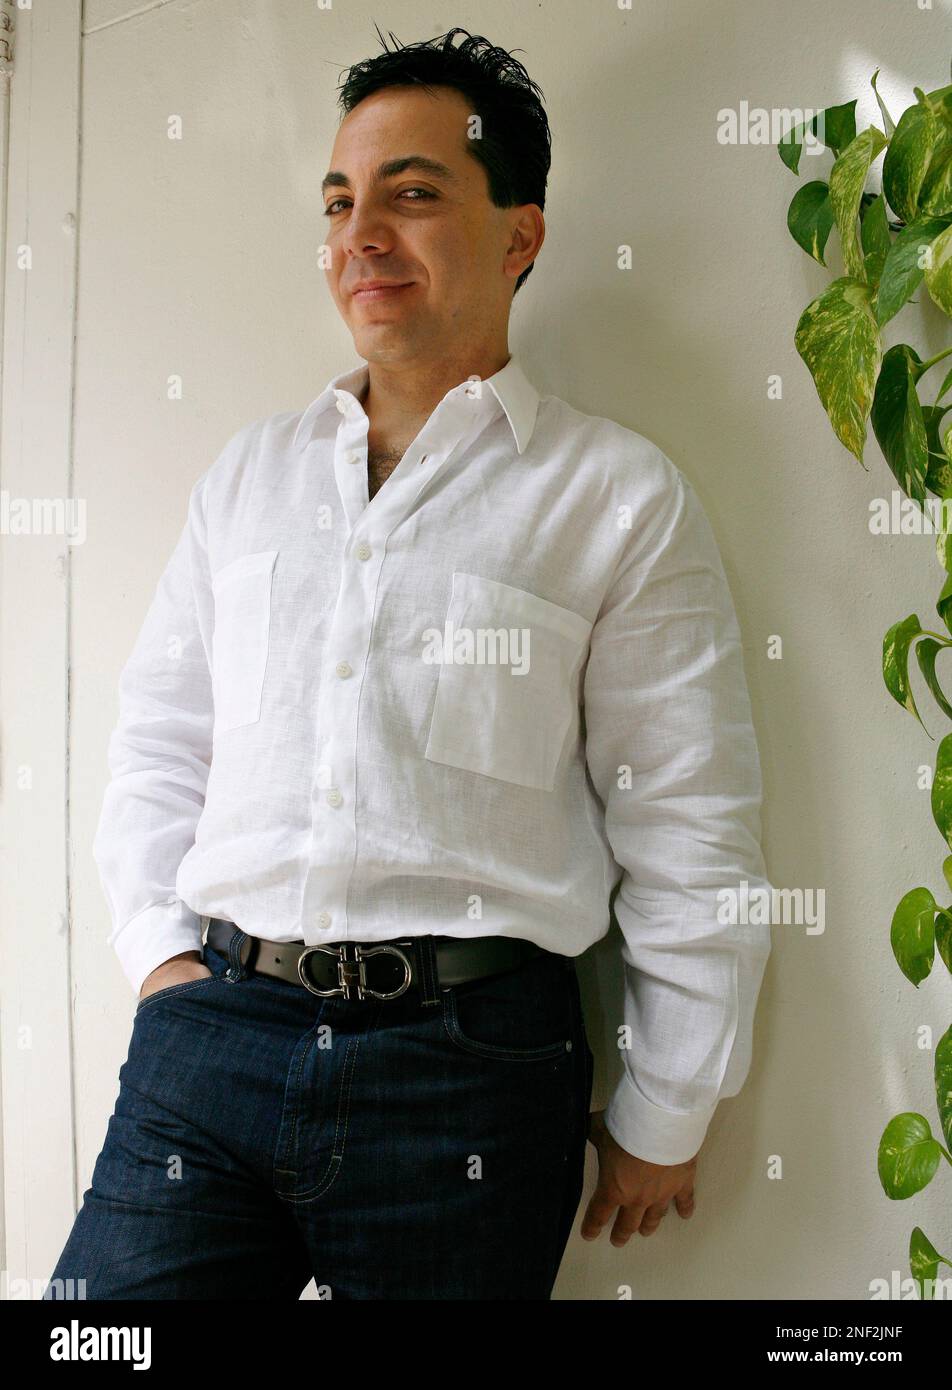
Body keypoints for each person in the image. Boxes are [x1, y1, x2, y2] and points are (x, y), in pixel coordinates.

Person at [44, 25, 772, 1301]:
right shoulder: (249, 476)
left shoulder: (614, 497)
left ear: (519, 234)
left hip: (470, 1076)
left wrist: (668, 1105)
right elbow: (162, 737)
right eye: (340, 201)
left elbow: (690, 815)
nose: (359, 235)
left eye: (413, 193)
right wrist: (164, 966)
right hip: (211, 1040)